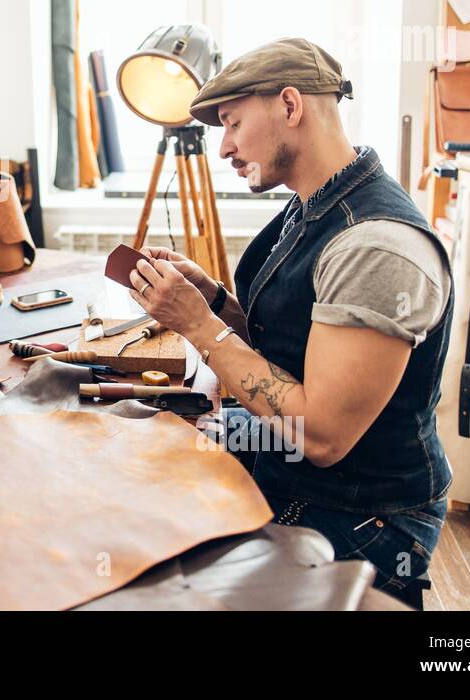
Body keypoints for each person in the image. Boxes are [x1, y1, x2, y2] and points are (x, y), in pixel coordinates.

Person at [127, 37, 452, 603]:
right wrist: (214, 302)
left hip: (361, 513)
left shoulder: (373, 246)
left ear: (290, 106)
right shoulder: (313, 203)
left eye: (231, 123)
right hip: (296, 470)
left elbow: (321, 434)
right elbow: (295, 343)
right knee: (134, 459)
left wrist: (198, 327)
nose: (223, 147)